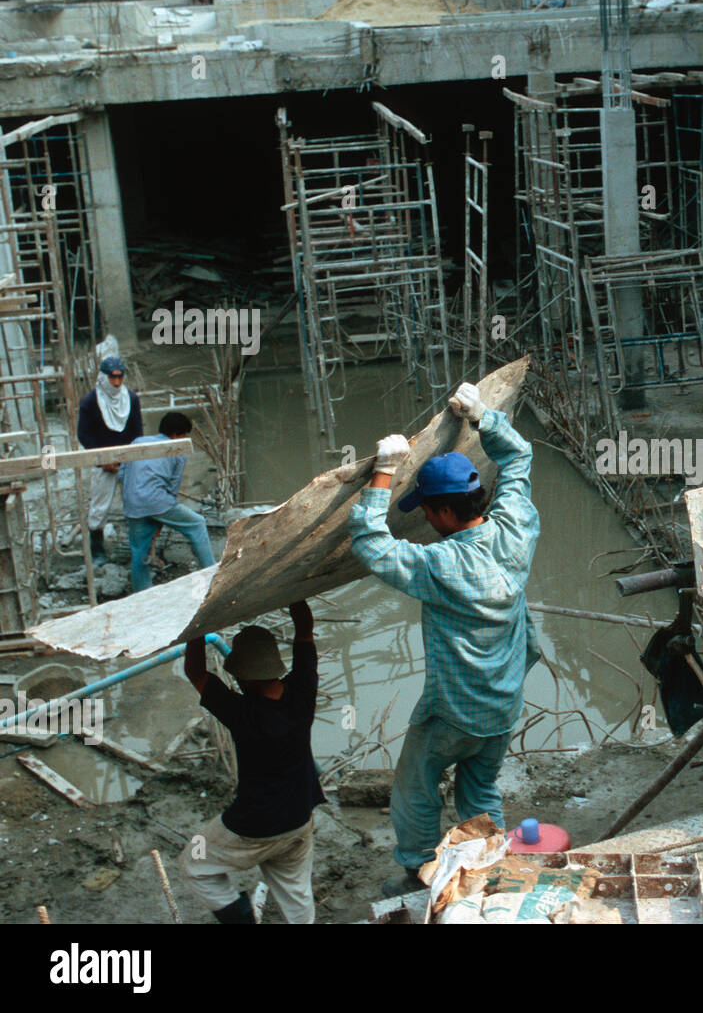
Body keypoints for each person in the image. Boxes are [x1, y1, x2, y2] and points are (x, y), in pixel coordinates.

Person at [348, 383, 541, 897]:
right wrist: (483, 417)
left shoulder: (442, 564)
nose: (426, 521)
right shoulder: (515, 526)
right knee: (481, 786)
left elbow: (371, 543)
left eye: (428, 512)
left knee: (415, 787)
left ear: (445, 513)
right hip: (503, 704)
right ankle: (486, 859)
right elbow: (518, 459)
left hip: (454, 710)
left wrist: (383, 472)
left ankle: (416, 871)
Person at [178, 600, 323, 924]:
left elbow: (195, 671)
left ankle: (242, 919)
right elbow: (305, 631)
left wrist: (197, 628)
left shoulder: (243, 713)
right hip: (300, 815)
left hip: (255, 826)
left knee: (194, 861)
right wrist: (295, 595)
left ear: (245, 677)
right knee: (295, 889)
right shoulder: (303, 691)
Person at [119, 411, 216, 592]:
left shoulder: (138, 442)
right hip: (157, 502)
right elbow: (172, 487)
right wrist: (162, 515)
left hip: (133, 504)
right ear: (176, 435)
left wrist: (135, 500)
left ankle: (142, 595)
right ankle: (212, 574)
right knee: (197, 524)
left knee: (140, 550)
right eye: (184, 435)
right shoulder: (177, 449)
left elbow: (122, 475)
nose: (185, 438)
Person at [76, 354, 142, 564]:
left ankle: (138, 548)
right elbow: (84, 434)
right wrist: (104, 459)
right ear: (103, 377)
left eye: (120, 377)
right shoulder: (90, 402)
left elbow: (137, 432)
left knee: (134, 502)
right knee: (99, 506)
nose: (116, 383)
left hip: (128, 460)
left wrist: (126, 458)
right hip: (103, 462)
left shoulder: (131, 399)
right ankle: (97, 550)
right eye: (112, 378)